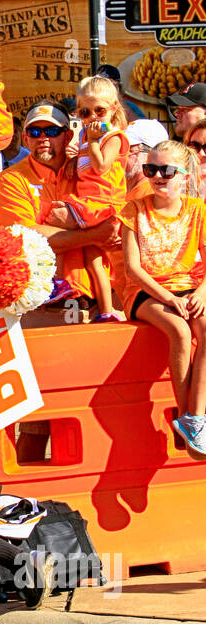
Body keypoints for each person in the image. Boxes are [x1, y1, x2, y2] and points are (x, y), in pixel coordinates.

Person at [120, 139, 206, 456]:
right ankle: (188, 419)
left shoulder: (198, 211)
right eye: (150, 169)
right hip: (146, 290)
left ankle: (195, 417)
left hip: (187, 285)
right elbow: (132, 269)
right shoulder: (134, 209)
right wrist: (169, 298)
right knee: (180, 331)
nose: (157, 176)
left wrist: (200, 293)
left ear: (184, 175)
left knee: (205, 328)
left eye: (166, 170)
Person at [0, 101, 118, 308]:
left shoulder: (88, 168)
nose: (43, 138)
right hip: (42, 301)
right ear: (25, 138)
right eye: (34, 132)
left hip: (100, 295)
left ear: (68, 136)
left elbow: (114, 216)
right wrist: (94, 234)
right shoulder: (10, 179)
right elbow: (25, 237)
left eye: (51, 131)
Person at [42, 75, 129, 321]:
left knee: (54, 220)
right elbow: (84, 165)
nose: (92, 118)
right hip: (87, 201)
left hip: (102, 203)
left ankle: (59, 282)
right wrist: (71, 161)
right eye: (84, 112)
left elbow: (101, 166)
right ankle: (107, 310)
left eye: (99, 111)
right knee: (94, 260)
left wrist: (91, 143)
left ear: (112, 108)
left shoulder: (115, 137)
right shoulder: (84, 138)